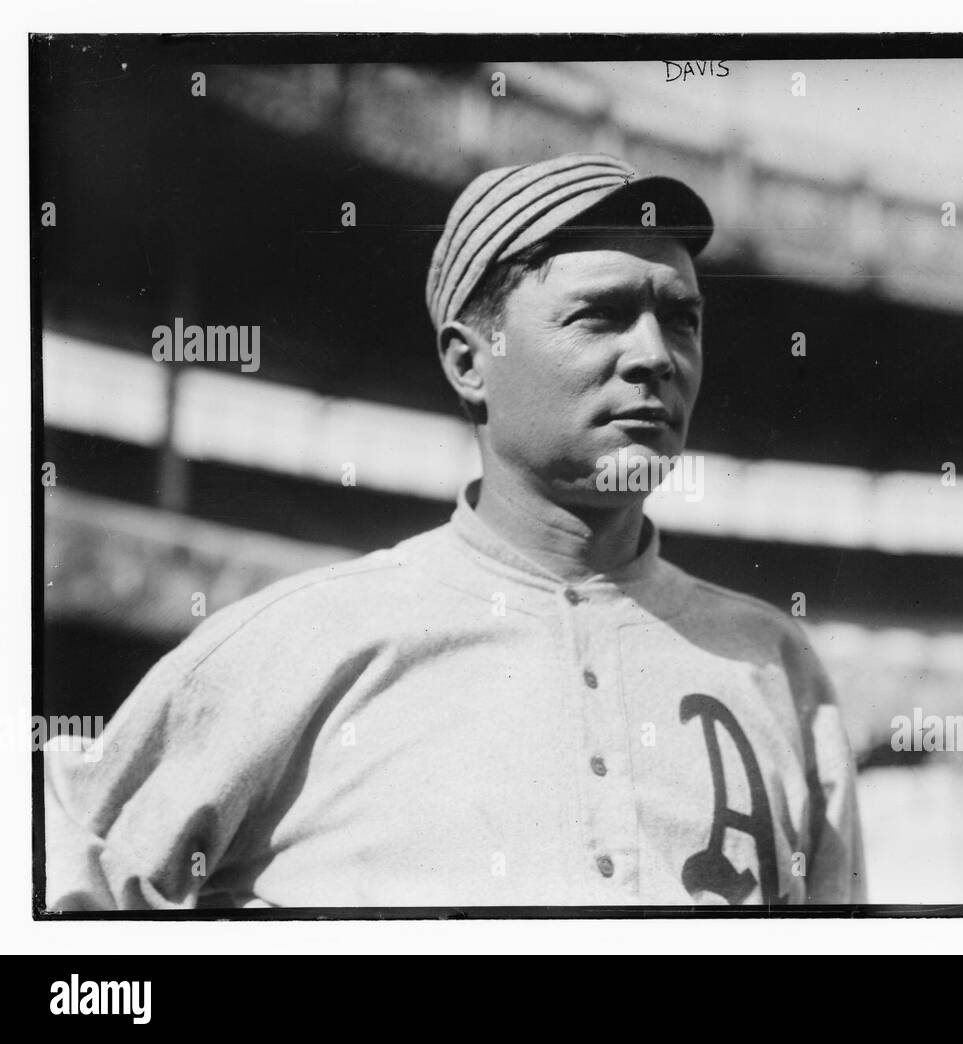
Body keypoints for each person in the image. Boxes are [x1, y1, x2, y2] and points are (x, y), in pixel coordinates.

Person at [43, 152, 865, 908]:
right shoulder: (294, 644)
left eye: (681, 319)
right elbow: (63, 883)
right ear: (472, 362)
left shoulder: (775, 664)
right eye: (600, 316)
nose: (656, 355)